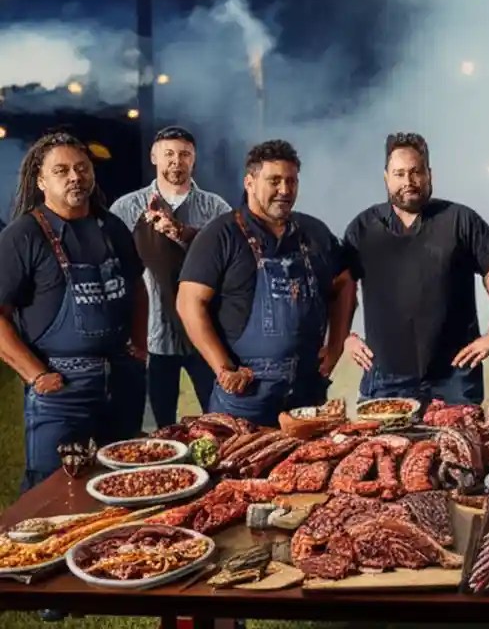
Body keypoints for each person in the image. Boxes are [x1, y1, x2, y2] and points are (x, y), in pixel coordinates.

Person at [0, 132, 147, 490]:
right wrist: (36, 375)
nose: (75, 177)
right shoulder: (24, 235)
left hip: (121, 378)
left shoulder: (112, 227)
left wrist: (139, 346)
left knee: (125, 482)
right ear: (41, 180)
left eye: (82, 168)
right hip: (62, 387)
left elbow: (138, 287)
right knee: (52, 491)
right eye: (61, 170)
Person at [177, 140, 353, 426]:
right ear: (250, 182)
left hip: (307, 391)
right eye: (274, 181)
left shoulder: (314, 232)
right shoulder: (220, 234)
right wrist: (223, 368)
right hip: (246, 394)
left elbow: (344, 283)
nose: (284, 190)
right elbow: (188, 303)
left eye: (291, 181)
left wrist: (336, 346)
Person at [344, 133, 489, 404]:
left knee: (459, 446)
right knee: (384, 447)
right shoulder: (363, 227)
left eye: (415, 172)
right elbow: (341, 285)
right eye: (399, 174)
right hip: (385, 377)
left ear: (429, 174)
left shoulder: (459, 219)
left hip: (455, 375)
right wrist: (346, 337)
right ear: (386, 177)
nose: (408, 182)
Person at [110, 126, 231, 428]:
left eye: (184, 154)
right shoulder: (127, 208)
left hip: (205, 332)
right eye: (169, 154)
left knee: (221, 418)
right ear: (154, 157)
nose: (176, 161)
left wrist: (181, 234)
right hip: (151, 335)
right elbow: (112, 267)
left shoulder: (215, 208)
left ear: (194, 159)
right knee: (158, 426)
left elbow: (233, 260)